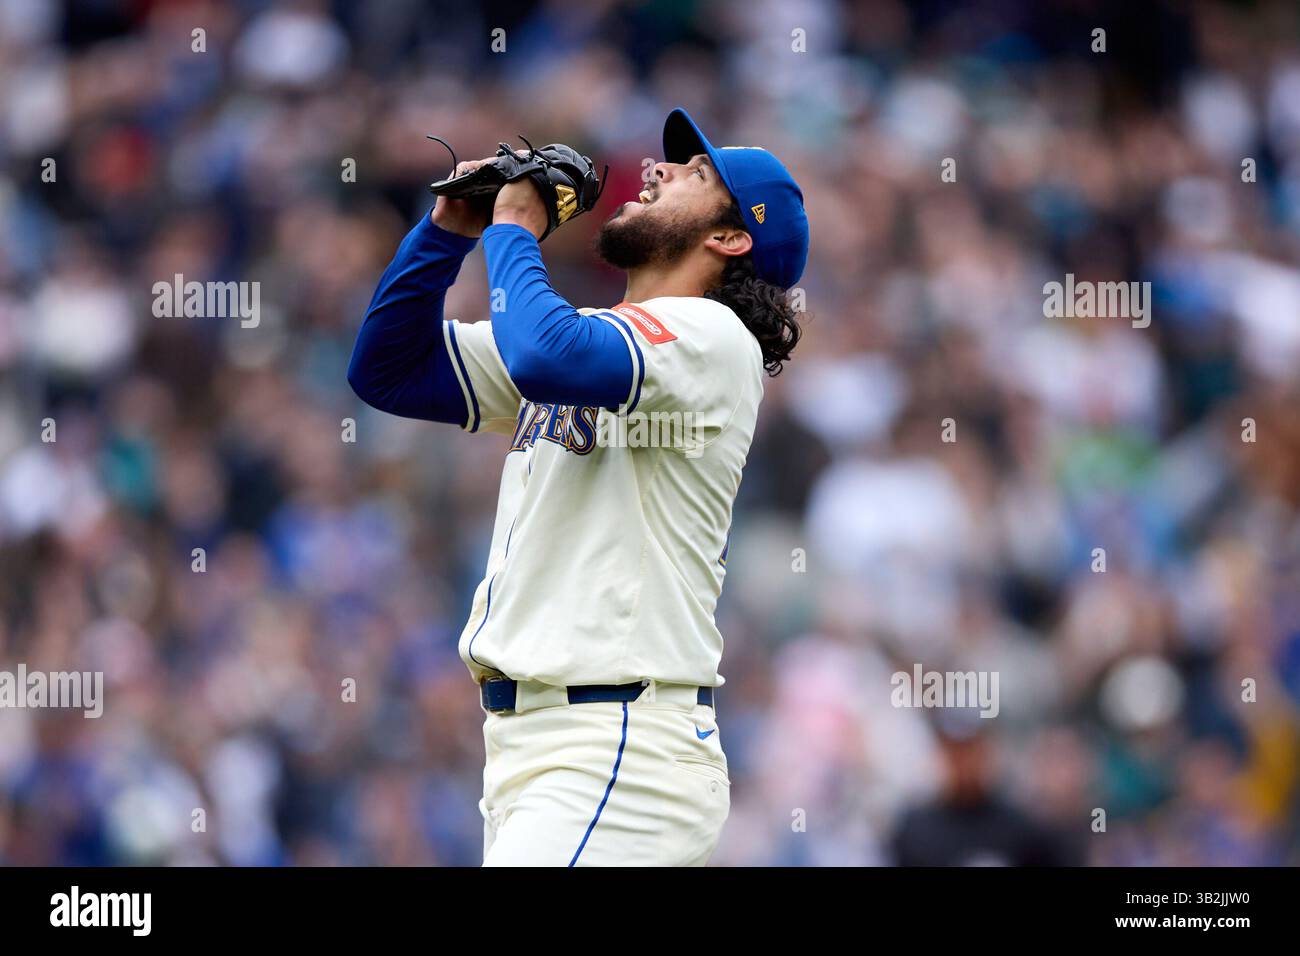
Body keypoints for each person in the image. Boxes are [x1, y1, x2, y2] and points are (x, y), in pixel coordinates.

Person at [347, 108, 808, 866]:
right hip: (541, 749)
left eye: (695, 175)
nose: (656, 170)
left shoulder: (712, 338)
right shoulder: (601, 339)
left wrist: (514, 231)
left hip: (617, 743)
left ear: (729, 238)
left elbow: (544, 357)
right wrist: (444, 235)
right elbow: (387, 370)